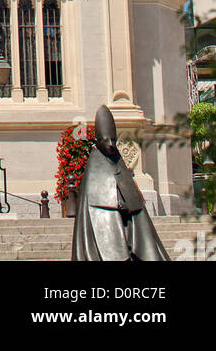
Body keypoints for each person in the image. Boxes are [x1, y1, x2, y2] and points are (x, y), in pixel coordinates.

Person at [72, 104, 169, 261]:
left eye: (113, 140)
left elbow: (135, 207)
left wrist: (124, 204)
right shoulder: (93, 169)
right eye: (106, 140)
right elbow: (98, 205)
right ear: (98, 140)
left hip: (126, 227)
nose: (111, 144)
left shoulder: (118, 160)